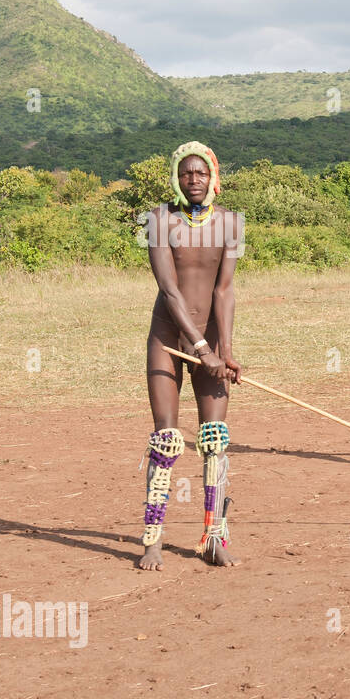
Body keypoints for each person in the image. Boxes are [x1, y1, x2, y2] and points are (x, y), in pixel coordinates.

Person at [140, 141, 244, 570]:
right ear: (175, 178)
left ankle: (214, 537)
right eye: (186, 174)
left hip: (212, 341)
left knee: (214, 441)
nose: (194, 180)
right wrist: (198, 346)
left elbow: (224, 290)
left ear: (213, 176)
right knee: (166, 440)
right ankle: (152, 540)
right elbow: (169, 289)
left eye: (201, 173)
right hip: (167, 337)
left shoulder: (232, 223)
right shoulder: (157, 220)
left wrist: (226, 350)